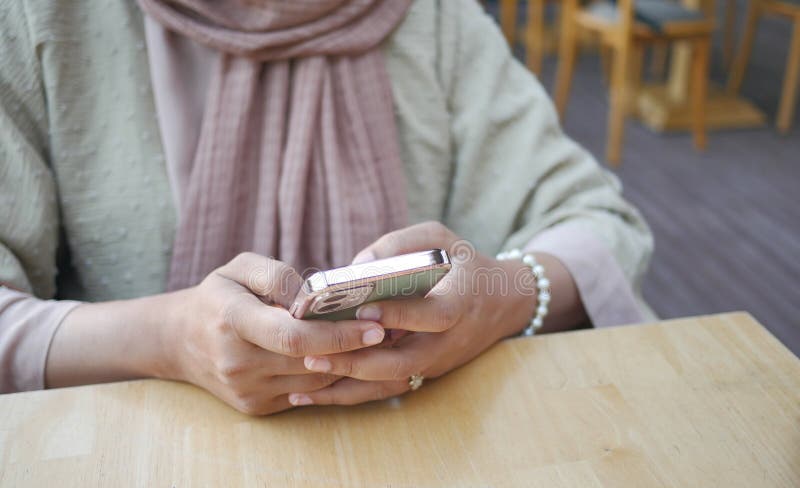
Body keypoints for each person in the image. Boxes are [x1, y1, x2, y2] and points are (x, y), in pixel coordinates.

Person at [0, 0, 653, 415]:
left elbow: (600, 222)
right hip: (133, 481)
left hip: (437, 478)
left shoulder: (434, 19)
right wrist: (167, 340)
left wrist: (506, 291)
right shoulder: (42, 17)